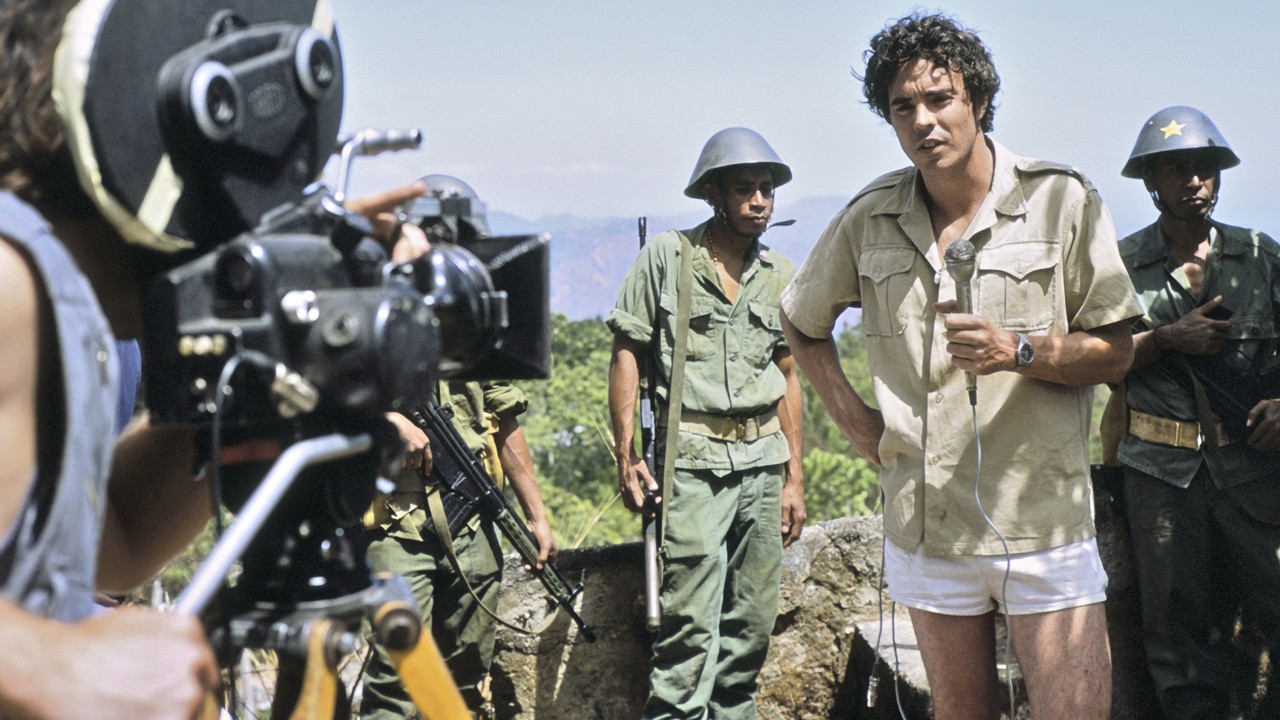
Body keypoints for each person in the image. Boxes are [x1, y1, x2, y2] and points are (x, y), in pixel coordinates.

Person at [0, 2, 432, 717]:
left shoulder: (75, 305)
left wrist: (275, 355)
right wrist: (44, 665)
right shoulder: (9, 278)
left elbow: (119, 536)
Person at [779, 13, 1140, 720]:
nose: (923, 121)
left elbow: (1117, 351)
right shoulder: (869, 217)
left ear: (978, 100)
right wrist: (853, 418)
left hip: (1042, 521)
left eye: (940, 99)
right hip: (927, 526)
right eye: (902, 107)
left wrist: (1019, 351)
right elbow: (800, 317)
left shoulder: (1059, 200)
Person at [607, 127, 806, 719]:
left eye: (766, 189)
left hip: (764, 466)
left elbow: (788, 376)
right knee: (688, 635)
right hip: (691, 466)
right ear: (714, 195)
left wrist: (795, 479)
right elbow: (627, 353)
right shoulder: (667, 259)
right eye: (744, 189)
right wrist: (626, 455)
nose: (759, 201)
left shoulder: (780, 274)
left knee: (750, 631)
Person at [361, 175, 556, 720]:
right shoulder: (372, 311)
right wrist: (389, 422)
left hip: (473, 520)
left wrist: (537, 516)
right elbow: (324, 393)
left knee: (467, 676)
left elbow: (505, 421)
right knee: (395, 682)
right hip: (397, 523)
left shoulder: (478, 323)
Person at [1115, 106, 1280, 719]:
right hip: (1161, 474)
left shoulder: (1260, 256)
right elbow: (1090, 361)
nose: (1193, 181)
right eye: (1175, 169)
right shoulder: (1119, 267)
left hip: (1254, 469)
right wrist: (1164, 339)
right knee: (1177, 638)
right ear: (1150, 182)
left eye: (1204, 167)